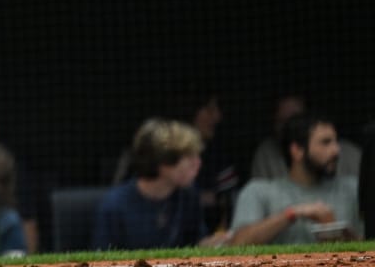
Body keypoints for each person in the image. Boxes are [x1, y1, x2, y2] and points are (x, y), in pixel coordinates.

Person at [229, 113, 363, 244]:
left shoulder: (353, 189)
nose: (336, 150)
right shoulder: (259, 191)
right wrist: (292, 213)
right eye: (325, 142)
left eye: (336, 141)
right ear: (297, 150)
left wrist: (335, 233)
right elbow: (238, 244)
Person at [94, 119, 217, 249]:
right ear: (164, 162)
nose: (197, 163)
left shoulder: (188, 197)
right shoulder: (115, 206)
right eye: (189, 157)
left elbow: (196, 244)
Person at [252, 96, 364, 183]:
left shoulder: (350, 186)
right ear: (297, 149)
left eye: (296, 119)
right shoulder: (263, 191)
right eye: (282, 122)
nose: (336, 150)